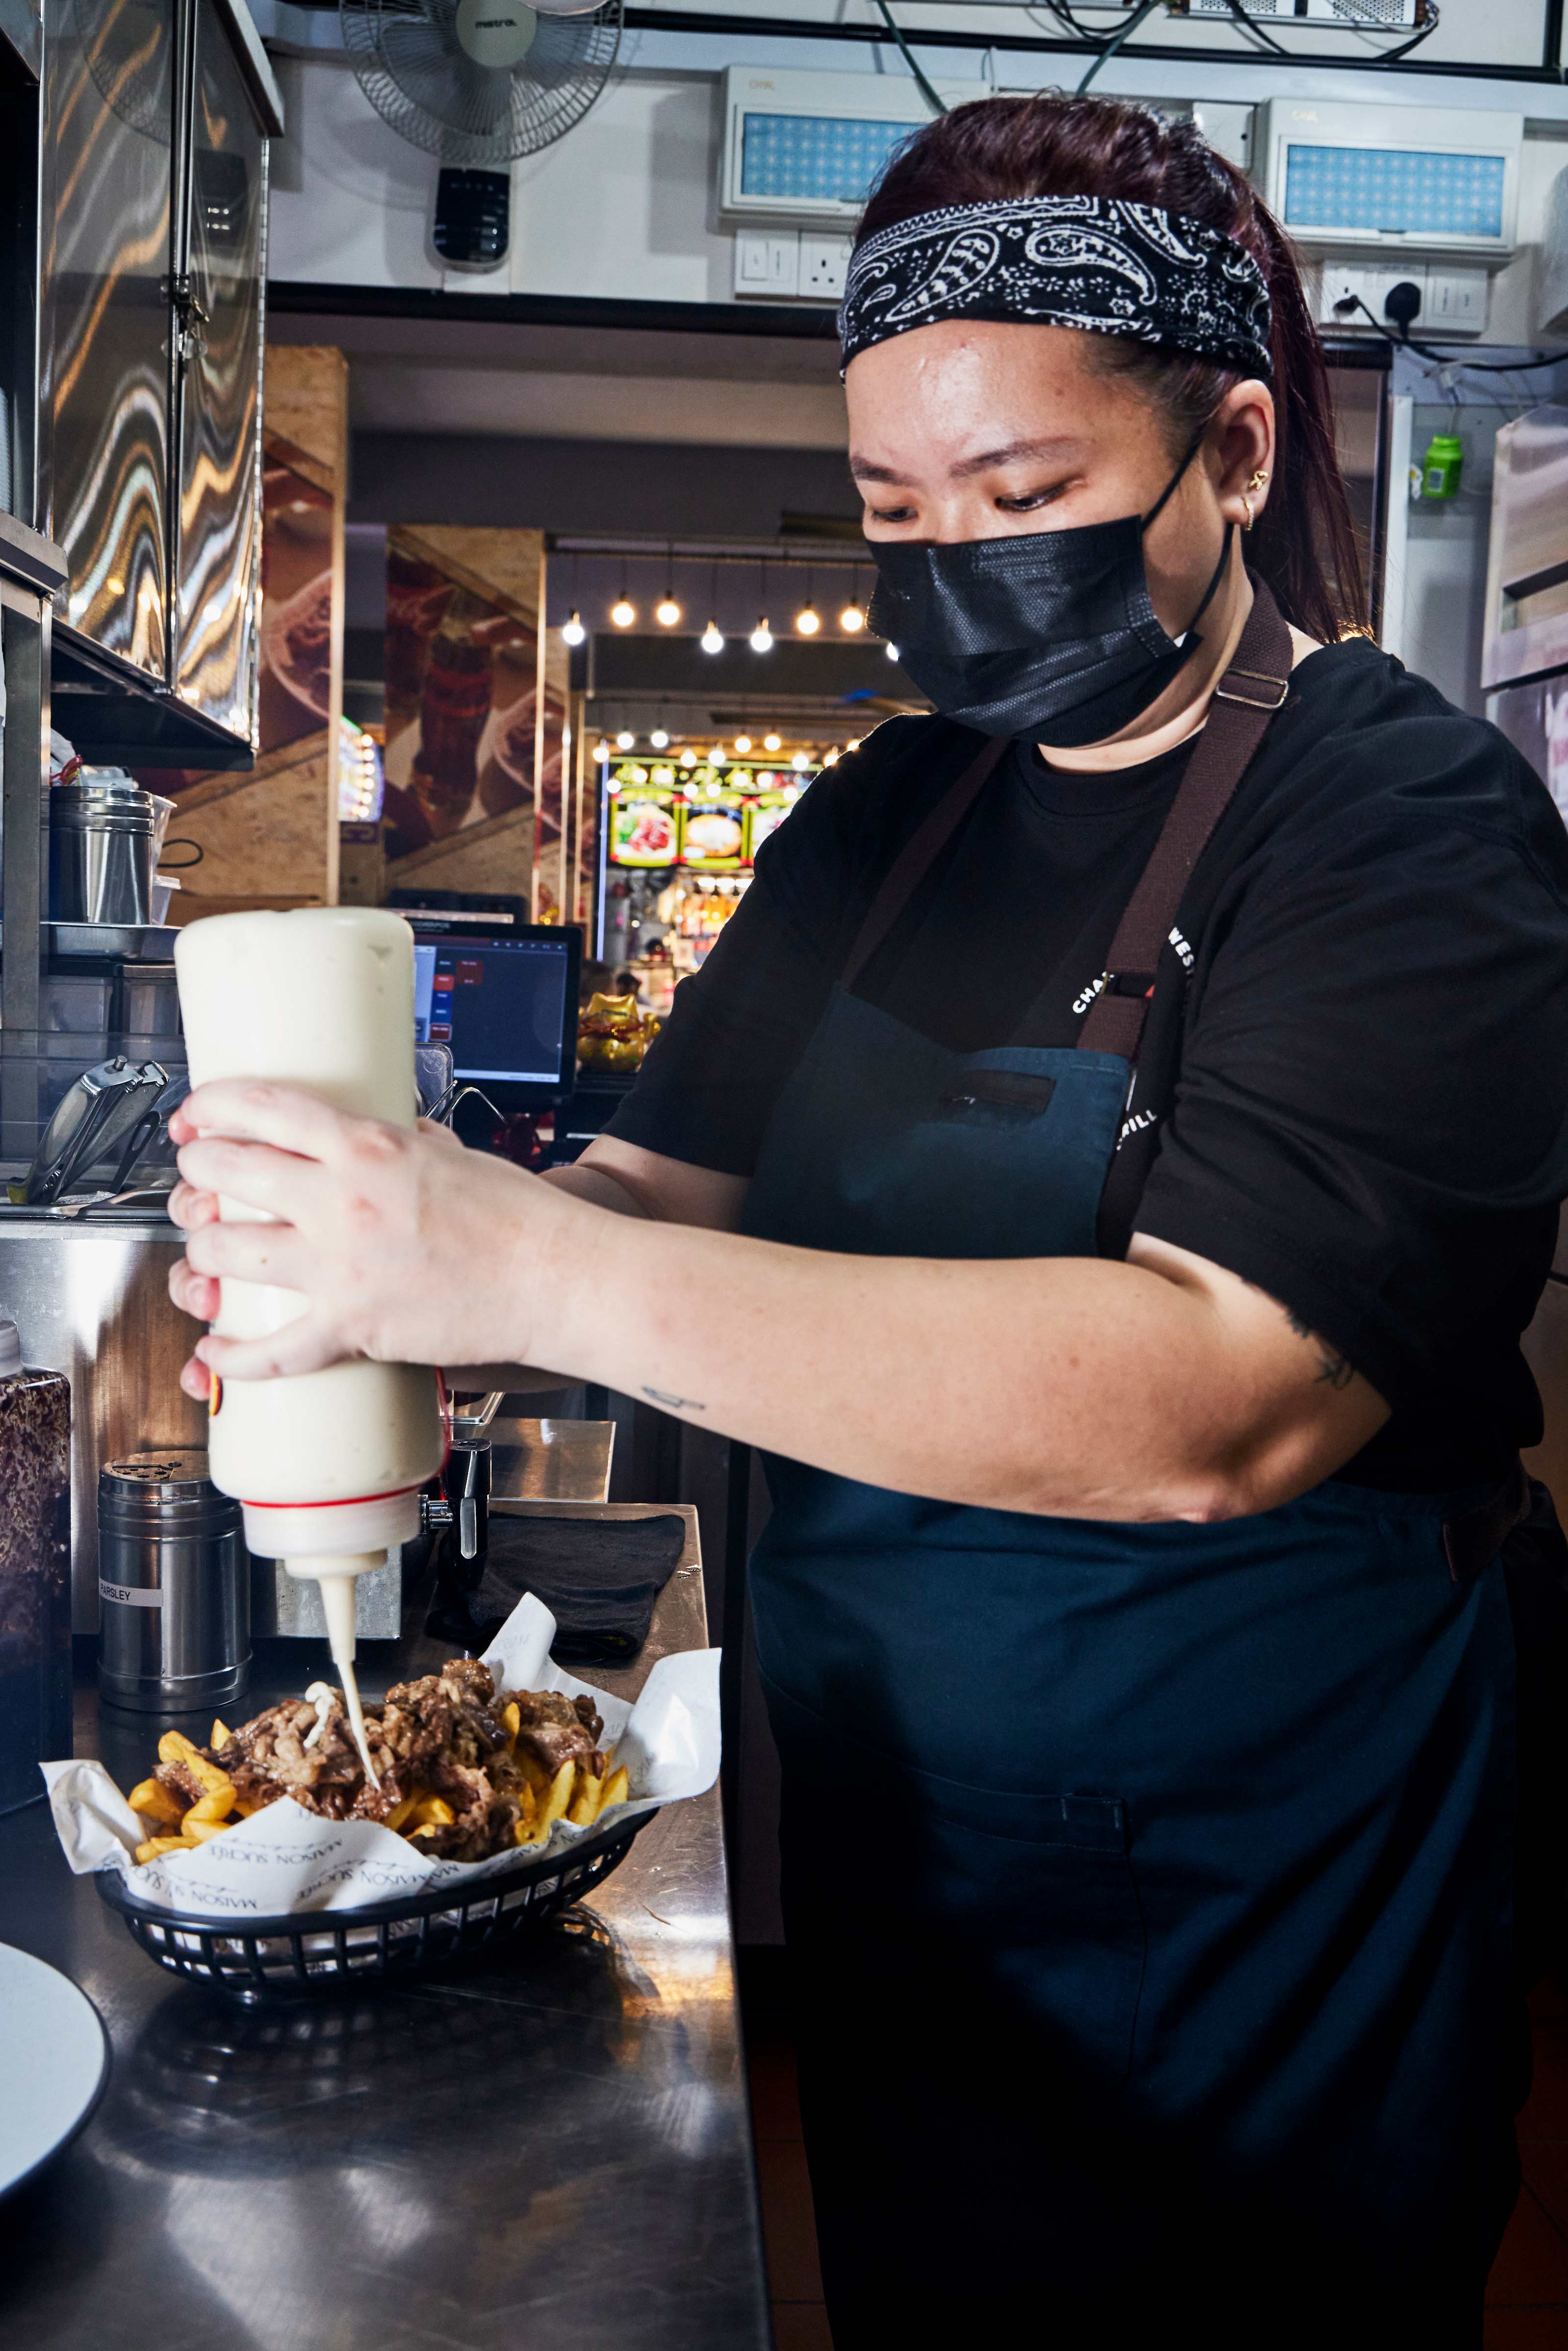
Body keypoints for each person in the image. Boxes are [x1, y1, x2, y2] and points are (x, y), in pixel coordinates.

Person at [168, 96, 1568, 2346]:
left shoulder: (1395, 824)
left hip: (1258, 1897)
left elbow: (1217, 1399)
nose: (952, 562)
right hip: (912, 1850)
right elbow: (652, 1187)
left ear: (1228, 449)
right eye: (898, 512)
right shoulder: (890, 814)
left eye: (1019, 496)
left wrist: (527, 1265)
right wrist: (377, 1266)